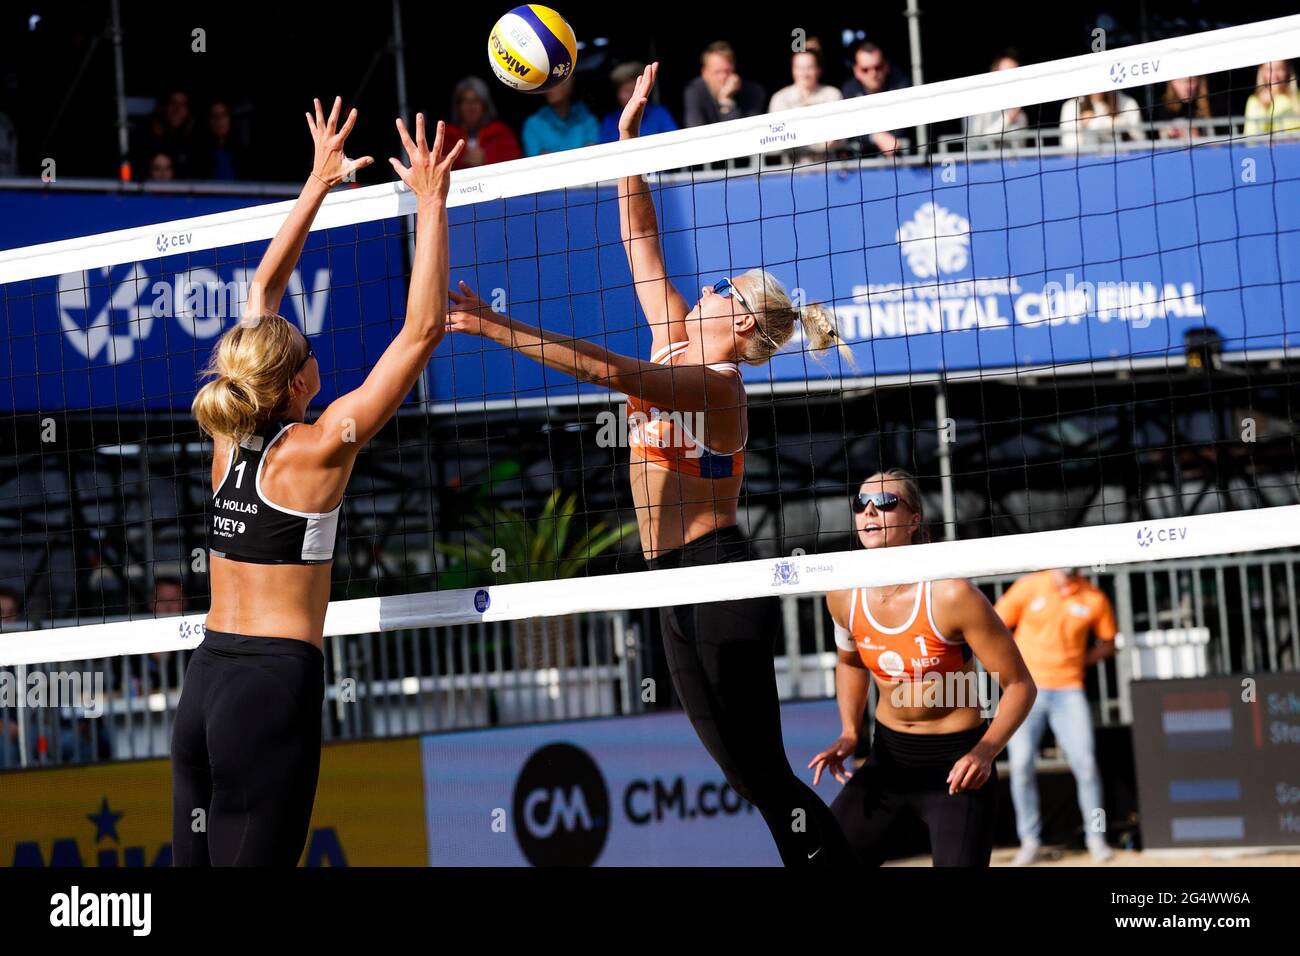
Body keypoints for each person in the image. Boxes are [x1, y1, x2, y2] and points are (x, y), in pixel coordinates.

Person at [448, 63, 855, 866]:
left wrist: (494, 327)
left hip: (713, 572)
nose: (701, 290)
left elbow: (615, 375)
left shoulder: (718, 386)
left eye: (719, 288)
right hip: (662, 572)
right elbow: (639, 236)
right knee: (744, 774)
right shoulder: (673, 325)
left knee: (765, 771)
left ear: (740, 323)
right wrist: (626, 144)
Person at [172, 97, 462, 866]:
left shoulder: (228, 435)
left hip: (202, 689)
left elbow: (260, 297)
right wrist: (431, 203)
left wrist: (318, 183)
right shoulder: (323, 443)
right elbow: (423, 331)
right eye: (307, 347)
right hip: (271, 692)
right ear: (300, 382)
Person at [809, 469, 1036, 866]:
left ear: (915, 520)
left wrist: (985, 752)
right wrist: (848, 731)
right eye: (860, 504)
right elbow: (850, 663)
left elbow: (1020, 685)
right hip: (889, 761)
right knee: (820, 859)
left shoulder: (951, 593)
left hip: (957, 768)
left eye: (884, 502)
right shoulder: (843, 592)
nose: (869, 512)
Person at [994, 567, 1117, 864]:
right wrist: (1010, 668)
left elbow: (1109, 642)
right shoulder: (1029, 585)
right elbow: (993, 624)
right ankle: (1030, 841)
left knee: (1086, 765)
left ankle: (1096, 837)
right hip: (1026, 690)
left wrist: (1080, 662)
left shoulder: (1094, 597)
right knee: (1021, 766)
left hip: (1069, 689)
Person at [768, 49, 841, 162]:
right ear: (793, 70)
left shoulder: (833, 95)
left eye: (810, 67)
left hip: (829, 167)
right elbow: (778, 139)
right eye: (800, 68)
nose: (805, 74)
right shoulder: (780, 98)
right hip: (791, 170)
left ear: (819, 69)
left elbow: (838, 135)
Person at [840, 41, 911, 154]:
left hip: (903, 157)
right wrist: (875, 136)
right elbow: (850, 126)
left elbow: (906, 123)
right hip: (862, 160)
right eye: (865, 69)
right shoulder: (849, 90)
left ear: (887, 66)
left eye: (878, 67)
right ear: (856, 71)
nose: (873, 74)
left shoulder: (901, 85)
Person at [682, 41, 767, 127]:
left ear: (734, 68)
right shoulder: (694, 90)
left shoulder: (754, 91)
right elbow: (695, 130)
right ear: (704, 73)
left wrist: (726, 102)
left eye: (727, 71)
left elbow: (747, 131)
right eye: (717, 72)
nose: (723, 77)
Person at [445, 77, 522, 169]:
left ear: (485, 105)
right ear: (457, 106)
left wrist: (487, 159)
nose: (471, 106)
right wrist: (461, 161)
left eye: (476, 100)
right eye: (465, 100)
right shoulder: (447, 135)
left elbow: (516, 164)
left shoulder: (501, 132)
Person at [599, 62, 677, 143]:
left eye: (633, 90)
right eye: (626, 91)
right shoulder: (609, 121)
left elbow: (674, 141)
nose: (631, 96)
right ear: (617, 93)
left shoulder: (659, 113)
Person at [966, 49, 1029, 149]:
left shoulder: (1020, 114)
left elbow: (1020, 150)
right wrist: (1008, 119)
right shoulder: (977, 106)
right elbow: (975, 144)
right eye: (1007, 74)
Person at [521, 77, 598, 157]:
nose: (550, 88)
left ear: (569, 86)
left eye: (555, 83)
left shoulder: (587, 119)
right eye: (547, 84)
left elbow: (593, 154)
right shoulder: (533, 123)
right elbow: (536, 161)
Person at [1058, 91, 1144, 149]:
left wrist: (1115, 125)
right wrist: (1084, 128)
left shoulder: (1128, 103)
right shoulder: (1071, 106)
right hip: (1088, 165)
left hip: (1123, 163)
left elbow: (1140, 143)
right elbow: (1069, 146)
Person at [1244, 60, 1300, 138]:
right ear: (1262, 72)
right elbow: (1250, 138)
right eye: (1269, 70)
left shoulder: (1297, 97)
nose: (1274, 75)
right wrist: (1264, 109)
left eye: (1279, 69)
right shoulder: (1254, 101)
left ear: (1287, 70)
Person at [194, 100, 248, 180]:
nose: (219, 120)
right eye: (214, 116)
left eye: (223, 115)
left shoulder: (243, 154)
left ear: (230, 119)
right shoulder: (198, 153)